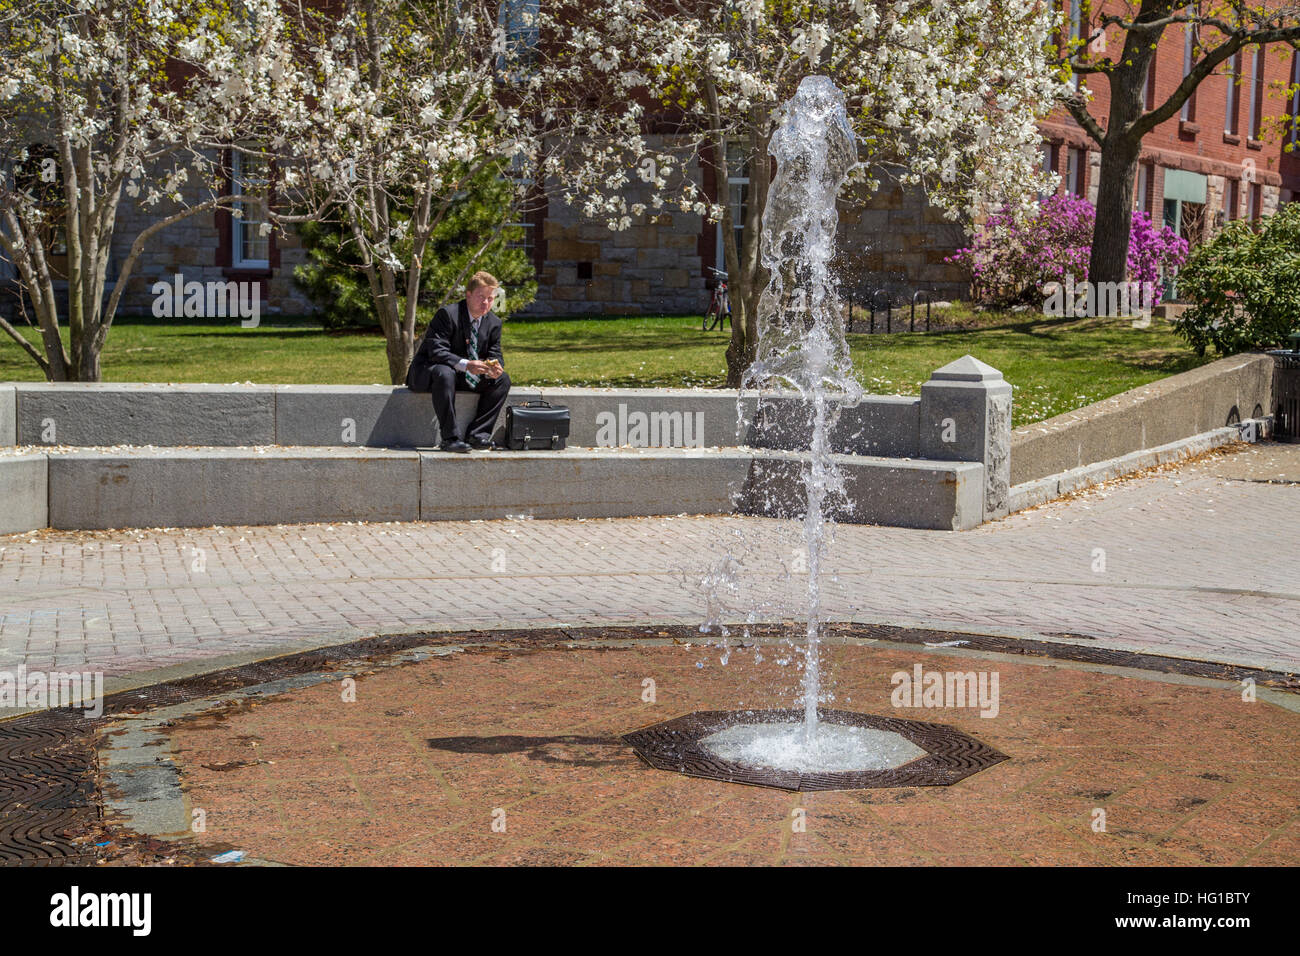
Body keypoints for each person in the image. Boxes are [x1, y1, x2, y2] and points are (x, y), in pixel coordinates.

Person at [406, 272, 511, 452]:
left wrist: (494, 368)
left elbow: (495, 353)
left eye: (490, 299)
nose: (486, 303)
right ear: (468, 295)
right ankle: (450, 438)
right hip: (432, 372)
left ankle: (478, 435)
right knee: (446, 373)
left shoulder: (494, 322)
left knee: (503, 380)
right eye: (481, 297)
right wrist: (466, 364)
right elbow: (437, 351)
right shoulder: (447, 315)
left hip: (464, 375)